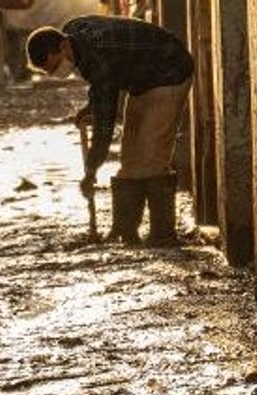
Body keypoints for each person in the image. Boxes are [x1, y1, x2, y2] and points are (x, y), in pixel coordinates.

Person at [25, 16, 195, 245]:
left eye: (56, 65)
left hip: (170, 72)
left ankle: (163, 235)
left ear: (63, 45)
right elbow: (101, 84)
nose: (59, 72)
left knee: (152, 155)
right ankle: (125, 230)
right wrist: (91, 106)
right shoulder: (73, 34)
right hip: (141, 81)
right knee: (131, 157)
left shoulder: (97, 55)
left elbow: (105, 125)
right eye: (52, 71)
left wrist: (91, 170)